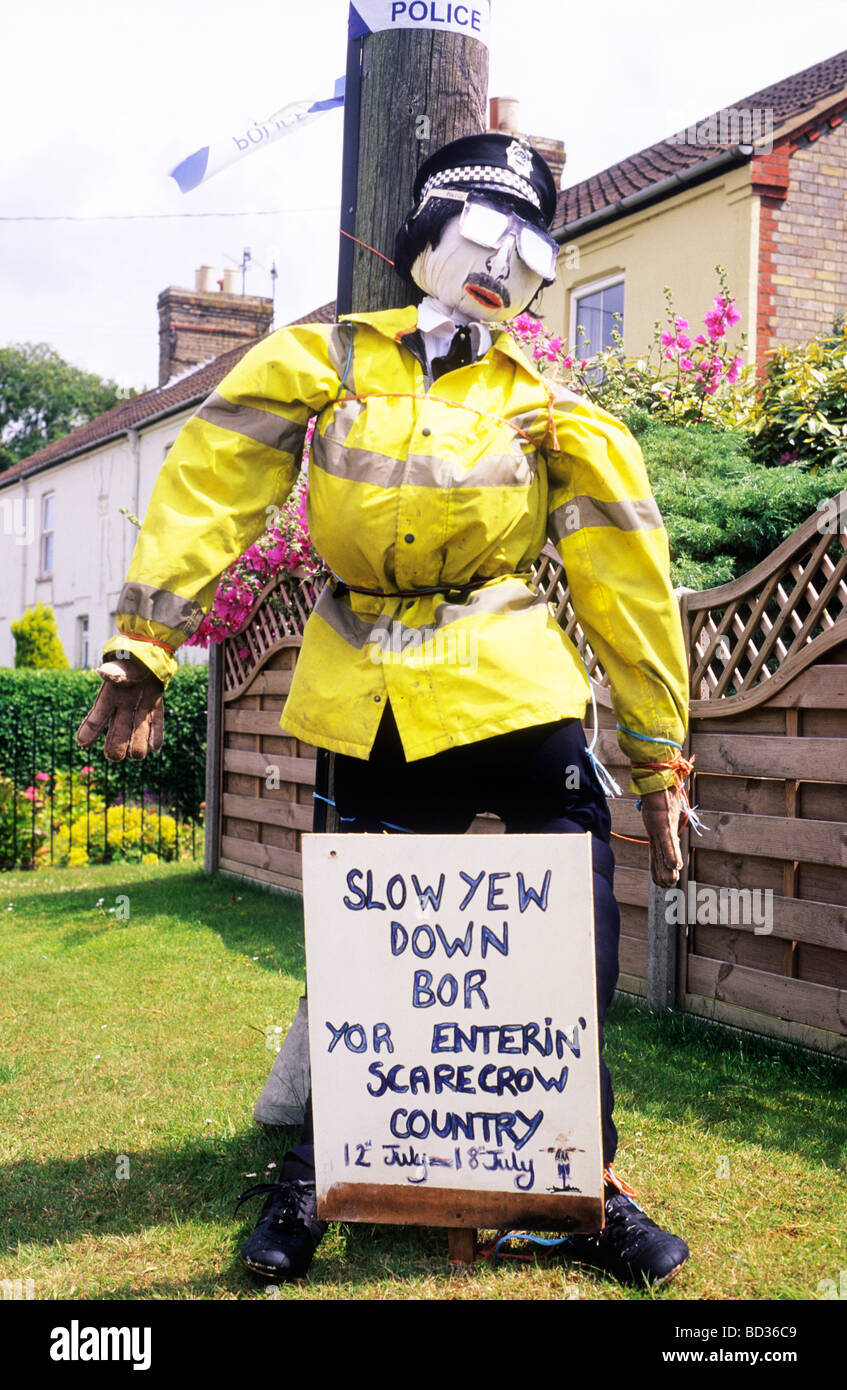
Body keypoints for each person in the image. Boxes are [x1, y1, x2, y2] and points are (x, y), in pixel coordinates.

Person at [78, 132, 691, 1288]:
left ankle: (583, 1179)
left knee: (567, 944)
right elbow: (214, 479)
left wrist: (659, 766)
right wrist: (147, 646)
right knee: (370, 950)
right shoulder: (325, 363)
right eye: (477, 229)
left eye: (530, 244)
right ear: (421, 235)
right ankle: (324, 1169)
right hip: (369, 702)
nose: (500, 263)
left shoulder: (554, 411)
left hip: (517, 695)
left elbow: (628, 581)